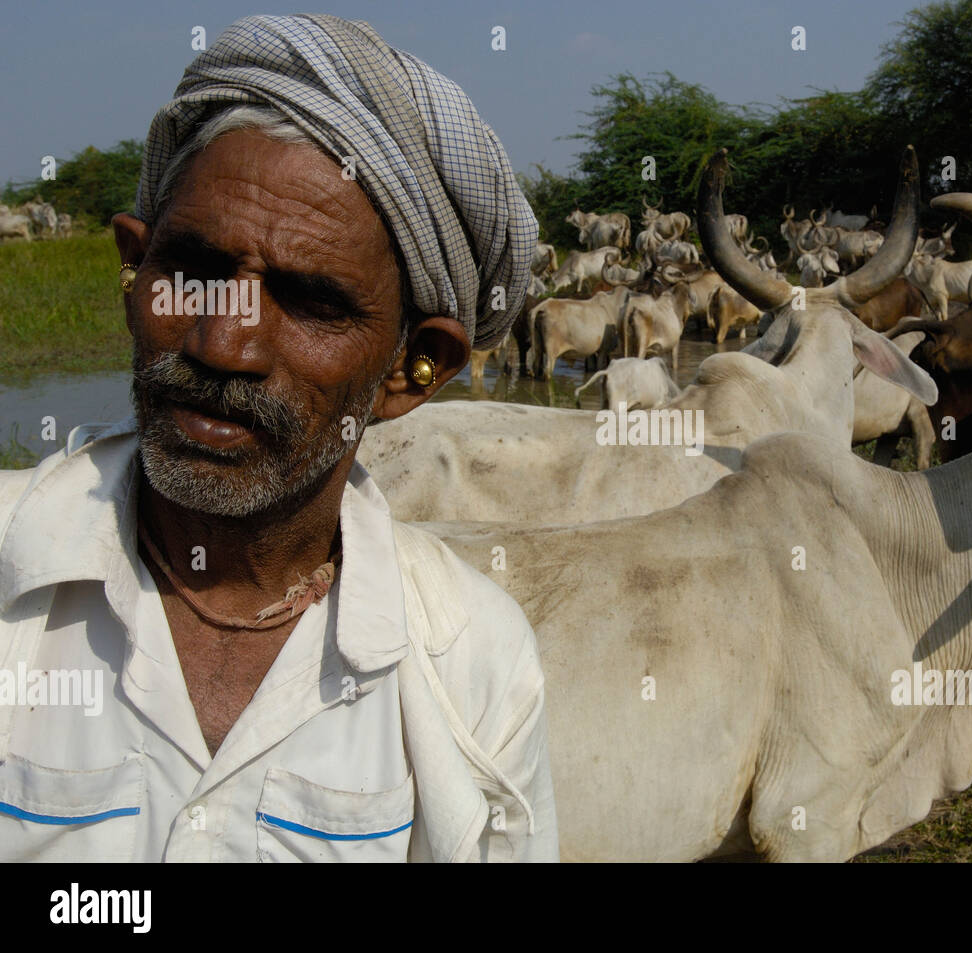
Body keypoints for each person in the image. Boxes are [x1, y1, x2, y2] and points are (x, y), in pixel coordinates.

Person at [0, 14, 557, 862]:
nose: (223, 344)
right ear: (133, 271)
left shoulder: (472, 661)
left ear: (415, 368)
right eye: (191, 271)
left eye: (310, 302)